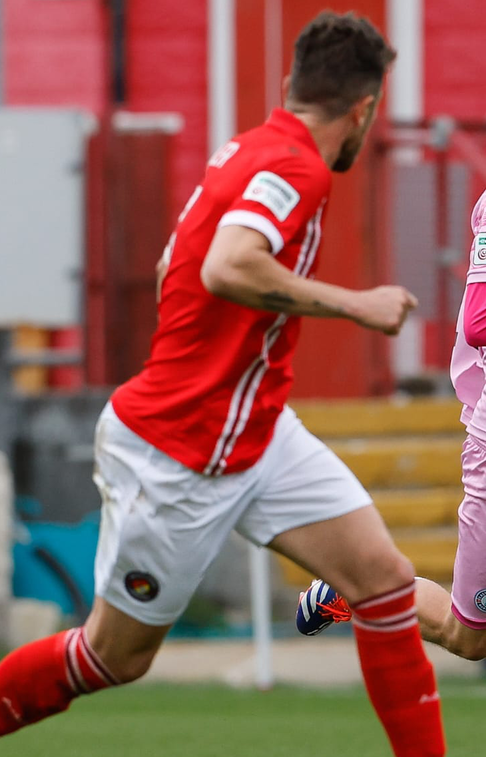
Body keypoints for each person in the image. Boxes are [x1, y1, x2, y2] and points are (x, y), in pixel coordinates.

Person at [0, 12, 446, 756]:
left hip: (259, 430)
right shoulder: (295, 166)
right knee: (113, 658)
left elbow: (178, 265)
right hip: (178, 451)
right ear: (364, 110)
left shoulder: (249, 147)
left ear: (289, 85)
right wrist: (355, 304)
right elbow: (226, 265)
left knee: (383, 579)